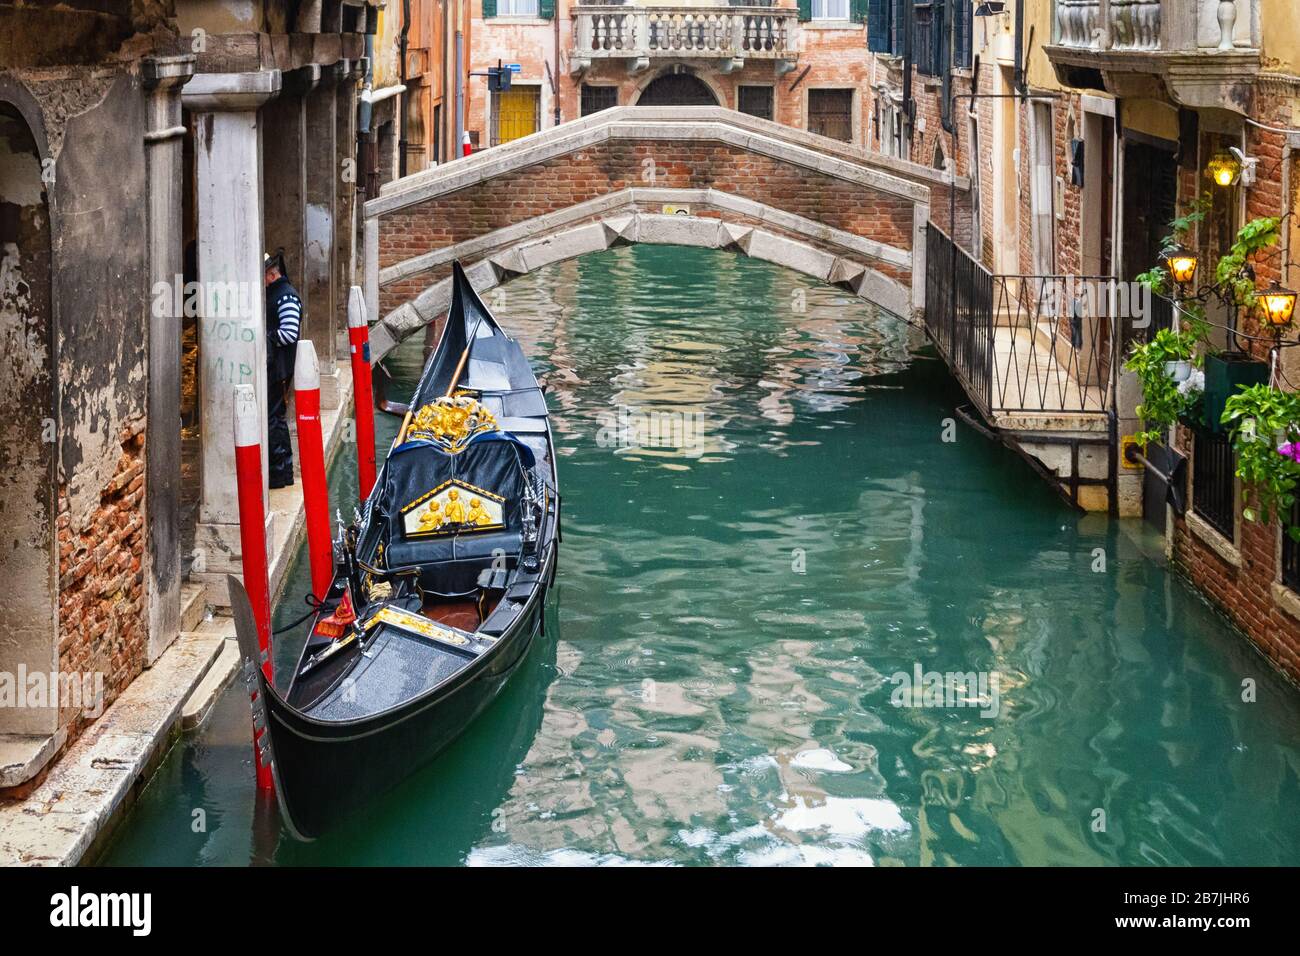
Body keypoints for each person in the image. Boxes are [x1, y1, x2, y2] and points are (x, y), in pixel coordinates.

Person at [264, 251, 302, 488]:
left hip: (279, 369)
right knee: (273, 418)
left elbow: (289, 333)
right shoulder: (276, 293)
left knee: (273, 419)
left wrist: (262, 336)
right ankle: (279, 472)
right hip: (274, 367)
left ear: (271, 274)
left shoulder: (286, 296)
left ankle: (280, 474)